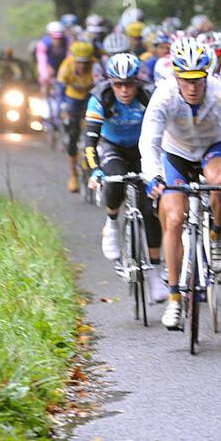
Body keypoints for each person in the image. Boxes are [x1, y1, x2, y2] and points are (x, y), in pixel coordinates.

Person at [141, 37, 221, 330]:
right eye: (185, 80)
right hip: (175, 152)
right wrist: (152, 176)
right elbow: (149, 140)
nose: (192, 87)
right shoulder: (163, 95)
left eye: (198, 80)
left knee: (219, 180)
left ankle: (214, 235)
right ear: (175, 75)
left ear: (207, 76)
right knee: (174, 218)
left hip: (213, 148)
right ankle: (174, 297)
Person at [86, 53, 169, 303]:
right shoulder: (100, 98)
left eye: (129, 84)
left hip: (142, 150)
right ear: (110, 83)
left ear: (137, 82)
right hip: (112, 147)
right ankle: (111, 224)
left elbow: (165, 135)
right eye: (118, 84)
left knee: (149, 207)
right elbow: (90, 141)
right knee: (115, 179)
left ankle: (155, 274)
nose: (124, 90)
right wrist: (95, 169)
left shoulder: (149, 95)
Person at [57, 39, 100, 192]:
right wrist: (62, 108)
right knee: (73, 135)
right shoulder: (67, 65)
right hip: (72, 98)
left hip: (89, 97)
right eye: (79, 62)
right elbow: (60, 88)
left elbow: (100, 86)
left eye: (85, 63)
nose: (82, 66)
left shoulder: (96, 66)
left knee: (95, 131)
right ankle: (73, 174)